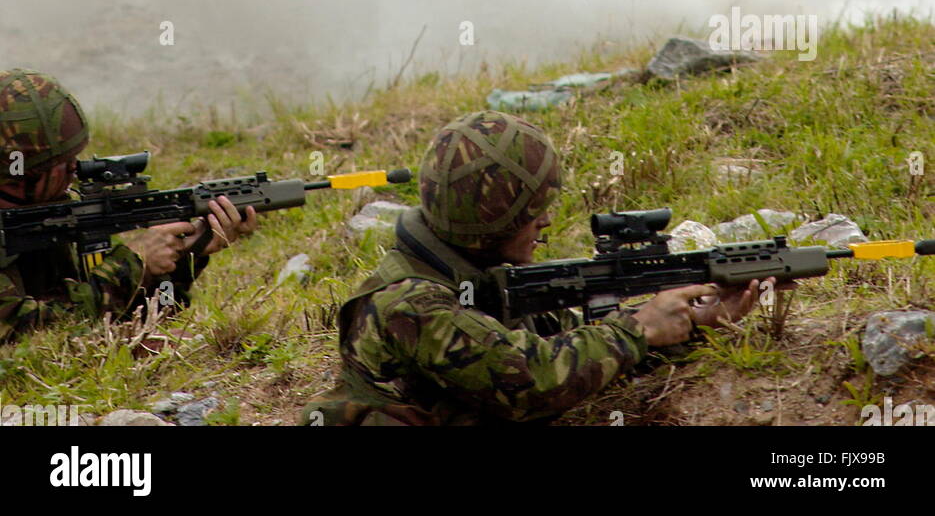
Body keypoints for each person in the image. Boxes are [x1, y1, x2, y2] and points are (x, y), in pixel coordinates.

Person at [308, 110, 769, 425]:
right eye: (531, 212)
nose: (546, 220)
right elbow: (529, 381)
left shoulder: (471, 273)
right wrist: (638, 329)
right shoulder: (411, 303)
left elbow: (568, 343)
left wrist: (689, 323)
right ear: (489, 224)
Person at [0, 68, 257, 342]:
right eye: (63, 163)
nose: (76, 168)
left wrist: (186, 255)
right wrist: (131, 266)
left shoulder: (47, 212)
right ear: (22, 174)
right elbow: (23, 335)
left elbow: (113, 314)